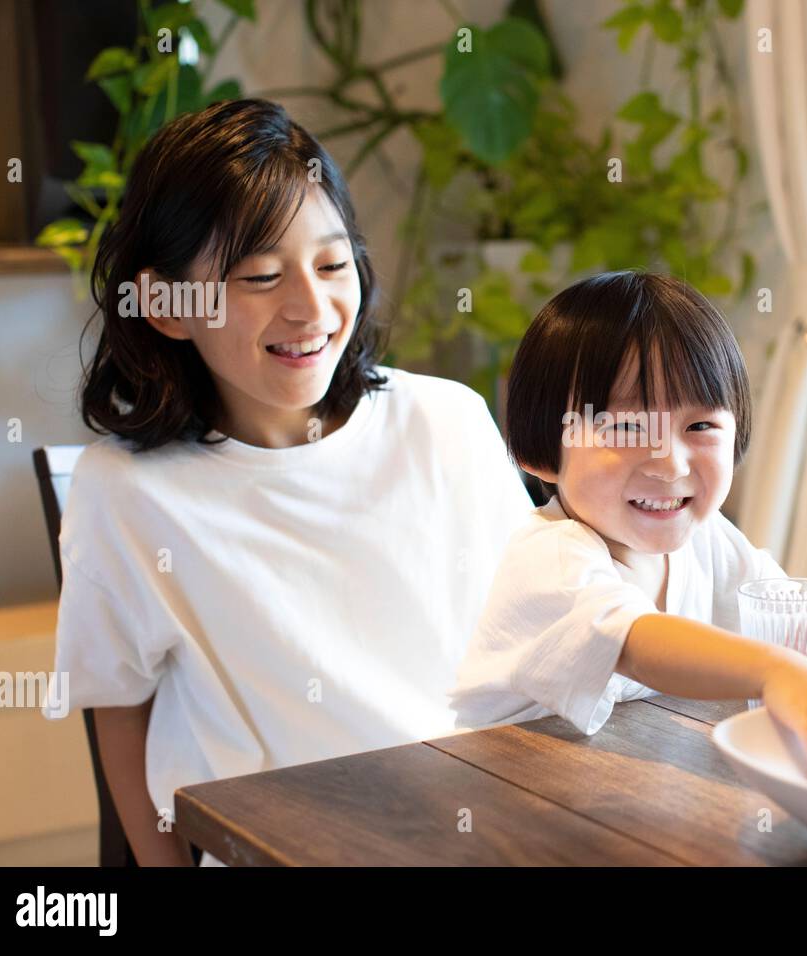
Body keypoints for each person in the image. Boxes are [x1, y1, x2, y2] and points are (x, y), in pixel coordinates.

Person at [43, 99, 532, 866]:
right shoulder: (127, 493)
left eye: (333, 265)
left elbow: (542, 630)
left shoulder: (446, 422)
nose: (311, 307)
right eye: (262, 276)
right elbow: (121, 711)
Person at [449, 271, 807, 778]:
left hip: (622, 788)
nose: (670, 464)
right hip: (507, 797)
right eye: (624, 427)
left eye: (700, 426)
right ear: (543, 452)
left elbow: (776, 610)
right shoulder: (552, 556)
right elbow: (638, 645)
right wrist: (776, 670)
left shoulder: (706, 538)